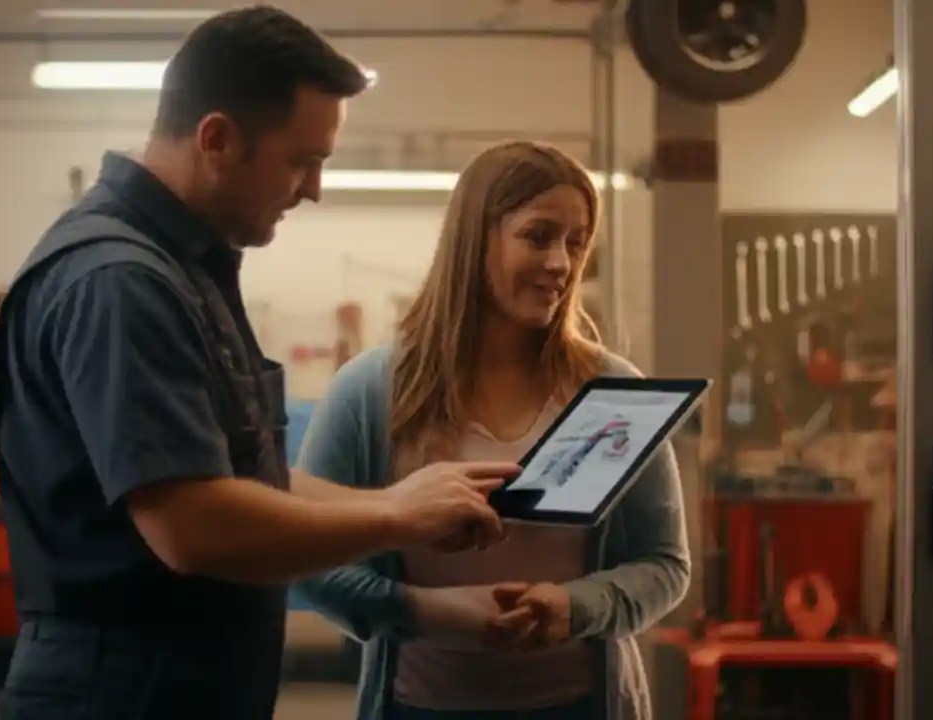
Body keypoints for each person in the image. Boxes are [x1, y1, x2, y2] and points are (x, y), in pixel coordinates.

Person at [0, 7, 513, 719]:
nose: (314, 189)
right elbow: (193, 525)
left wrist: (409, 501)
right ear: (217, 139)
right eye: (303, 160)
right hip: (122, 691)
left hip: (172, 684)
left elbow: (240, 480)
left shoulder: (183, 270)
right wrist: (395, 517)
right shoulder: (121, 282)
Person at [296, 141, 693, 720]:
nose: (561, 262)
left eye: (576, 242)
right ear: (474, 238)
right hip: (419, 708)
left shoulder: (610, 392)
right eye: (538, 236)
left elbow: (664, 563)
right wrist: (423, 610)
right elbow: (310, 559)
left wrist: (575, 606)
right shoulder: (370, 392)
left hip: (579, 707)